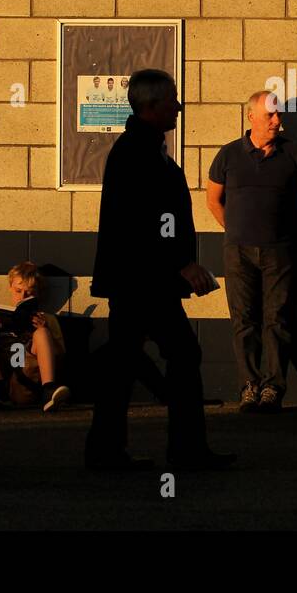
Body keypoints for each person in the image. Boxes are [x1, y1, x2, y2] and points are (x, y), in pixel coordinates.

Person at [86, 69, 233, 472]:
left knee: (126, 361)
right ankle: (184, 449)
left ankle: (107, 451)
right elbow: (145, 220)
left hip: (137, 279)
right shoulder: (139, 152)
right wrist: (181, 263)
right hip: (144, 281)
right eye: (172, 100)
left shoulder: (145, 147)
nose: (179, 106)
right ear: (150, 106)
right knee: (181, 354)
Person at [206, 90, 297, 413]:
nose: (277, 120)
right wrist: (233, 230)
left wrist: (289, 232)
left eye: (279, 114)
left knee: (277, 319)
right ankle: (248, 385)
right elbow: (213, 199)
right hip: (238, 251)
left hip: (280, 252)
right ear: (251, 117)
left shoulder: (295, 154)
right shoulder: (229, 154)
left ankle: (273, 388)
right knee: (243, 320)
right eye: (270, 115)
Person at [0, 262, 70, 413]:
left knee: (42, 333)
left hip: (28, 380)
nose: (22, 297)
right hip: (3, 376)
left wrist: (44, 329)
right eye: (18, 291)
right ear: (10, 287)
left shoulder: (48, 319)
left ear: (38, 295)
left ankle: (48, 389)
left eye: (29, 293)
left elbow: (61, 356)